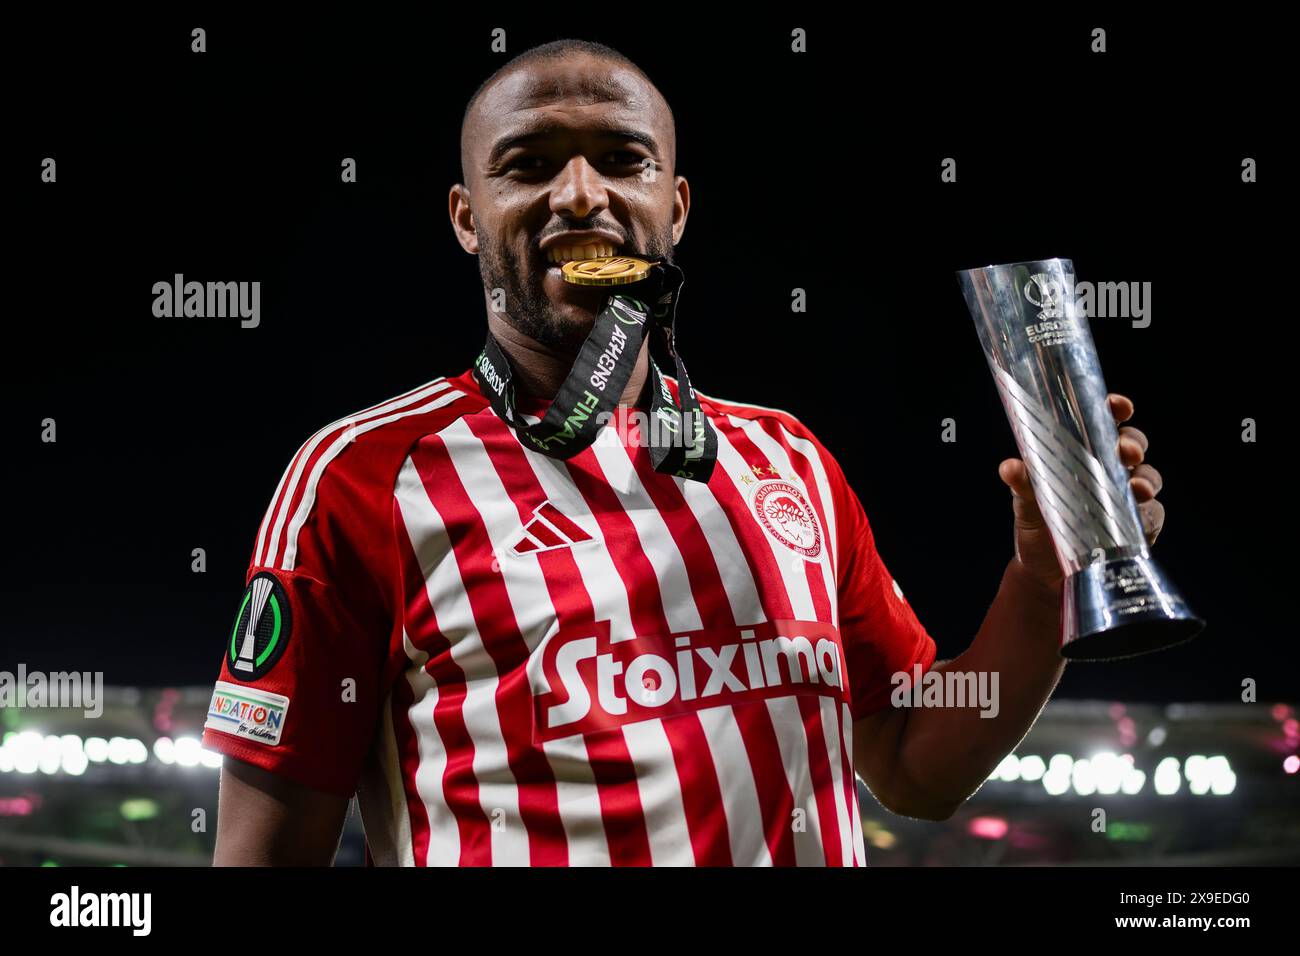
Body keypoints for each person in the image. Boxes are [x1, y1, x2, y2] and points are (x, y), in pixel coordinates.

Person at [205, 39, 1166, 866]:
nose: (580, 196)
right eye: (529, 164)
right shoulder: (359, 476)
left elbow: (916, 764)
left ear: (675, 204)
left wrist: (1044, 585)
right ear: (466, 217)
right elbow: (263, 856)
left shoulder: (786, 458)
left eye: (622, 160)